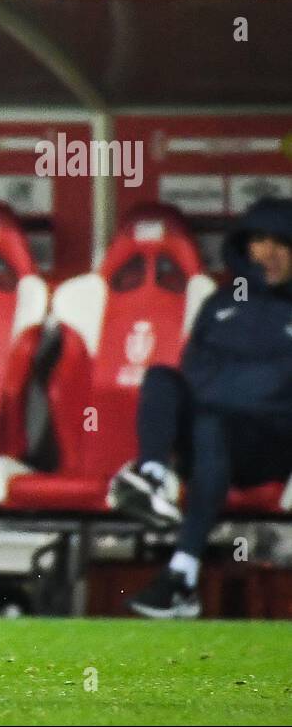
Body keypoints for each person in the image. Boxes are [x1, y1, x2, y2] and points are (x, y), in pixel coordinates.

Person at [111, 197, 292, 618]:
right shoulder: (221, 304)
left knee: (213, 418)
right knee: (161, 377)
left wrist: (231, 387)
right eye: (260, 241)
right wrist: (248, 384)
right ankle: (153, 475)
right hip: (210, 439)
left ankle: (182, 581)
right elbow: (194, 372)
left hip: (271, 447)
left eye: (283, 242)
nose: (269, 252)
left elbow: (281, 388)